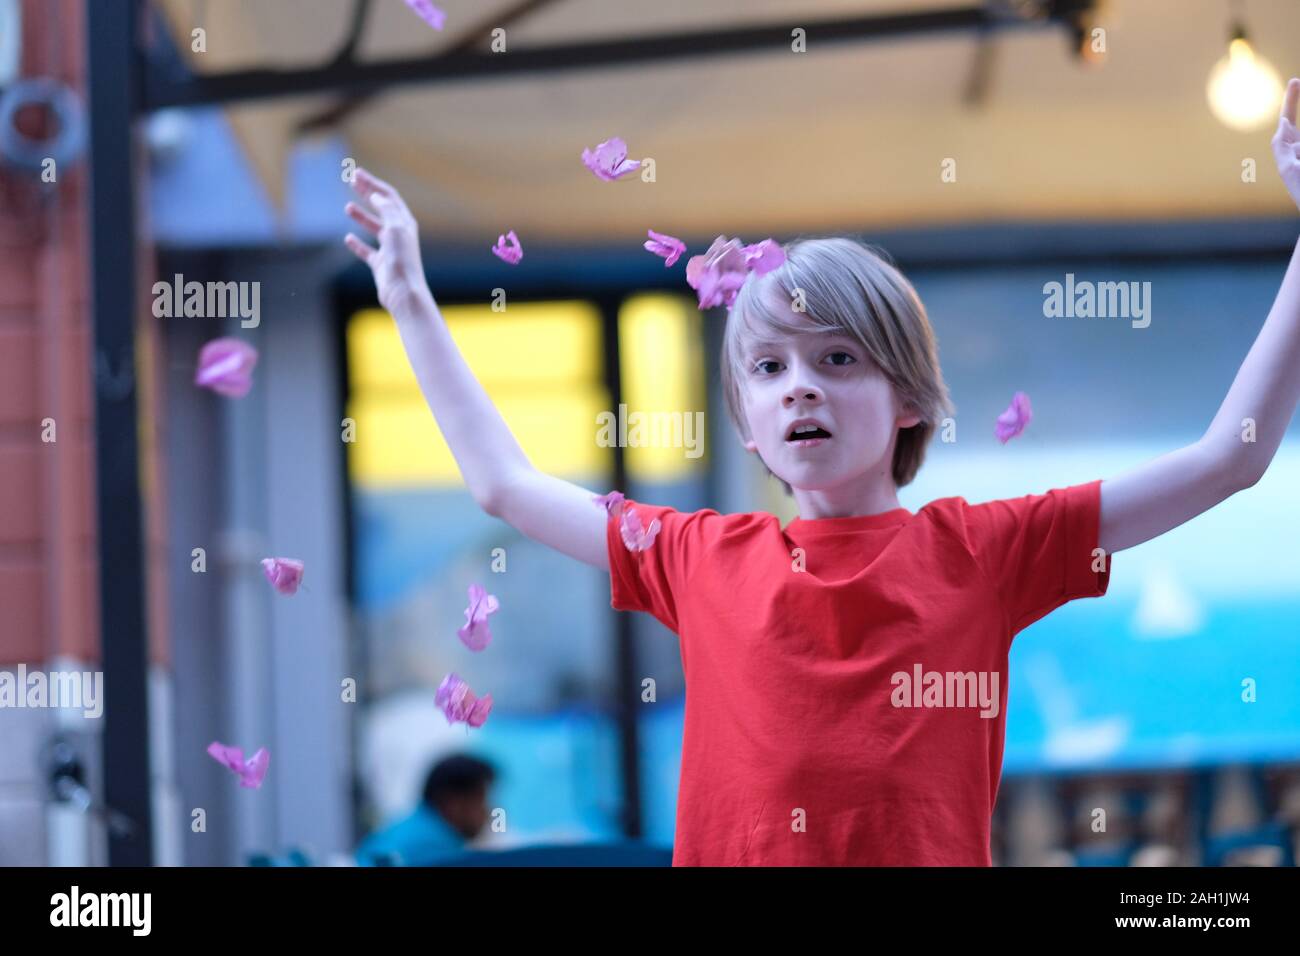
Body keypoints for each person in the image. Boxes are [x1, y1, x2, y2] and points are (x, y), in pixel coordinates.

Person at [341, 79, 1300, 864]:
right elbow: (505, 484)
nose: (800, 387)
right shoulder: (692, 555)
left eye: (838, 359)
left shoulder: (988, 550)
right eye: (769, 368)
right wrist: (412, 304)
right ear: (749, 428)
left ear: (911, 399)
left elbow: (1234, 455)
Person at [356, 754, 495, 866]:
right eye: (481, 801)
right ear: (453, 803)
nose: (487, 811)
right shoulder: (436, 849)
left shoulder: (410, 826)